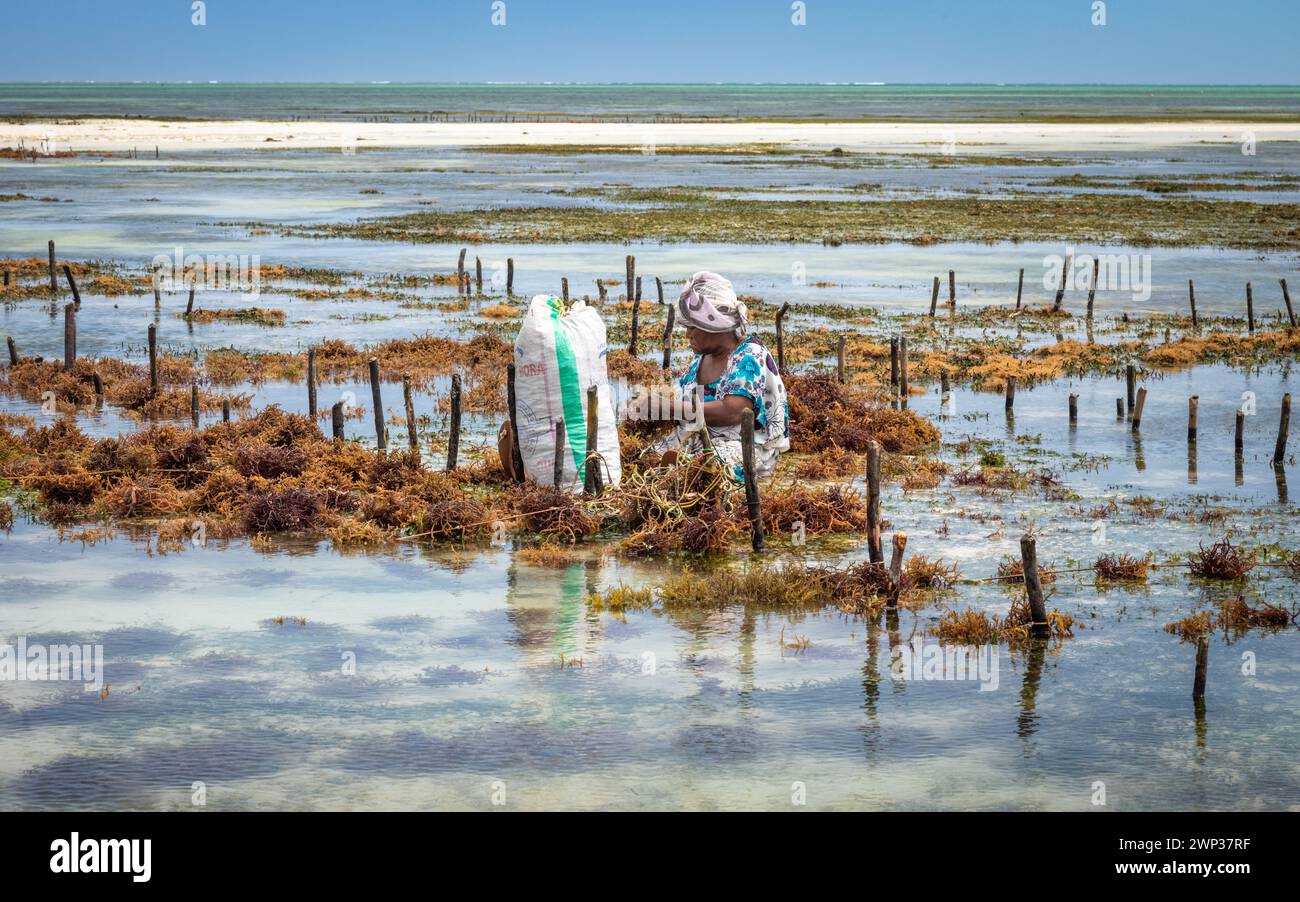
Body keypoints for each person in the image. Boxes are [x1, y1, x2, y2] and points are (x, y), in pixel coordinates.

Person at [651, 271, 789, 480]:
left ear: (714, 324)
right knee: (648, 457)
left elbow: (732, 412)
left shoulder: (749, 355)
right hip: (699, 440)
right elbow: (689, 408)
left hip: (744, 446)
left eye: (692, 326)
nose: (687, 333)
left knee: (708, 470)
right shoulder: (699, 361)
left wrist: (669, 408)